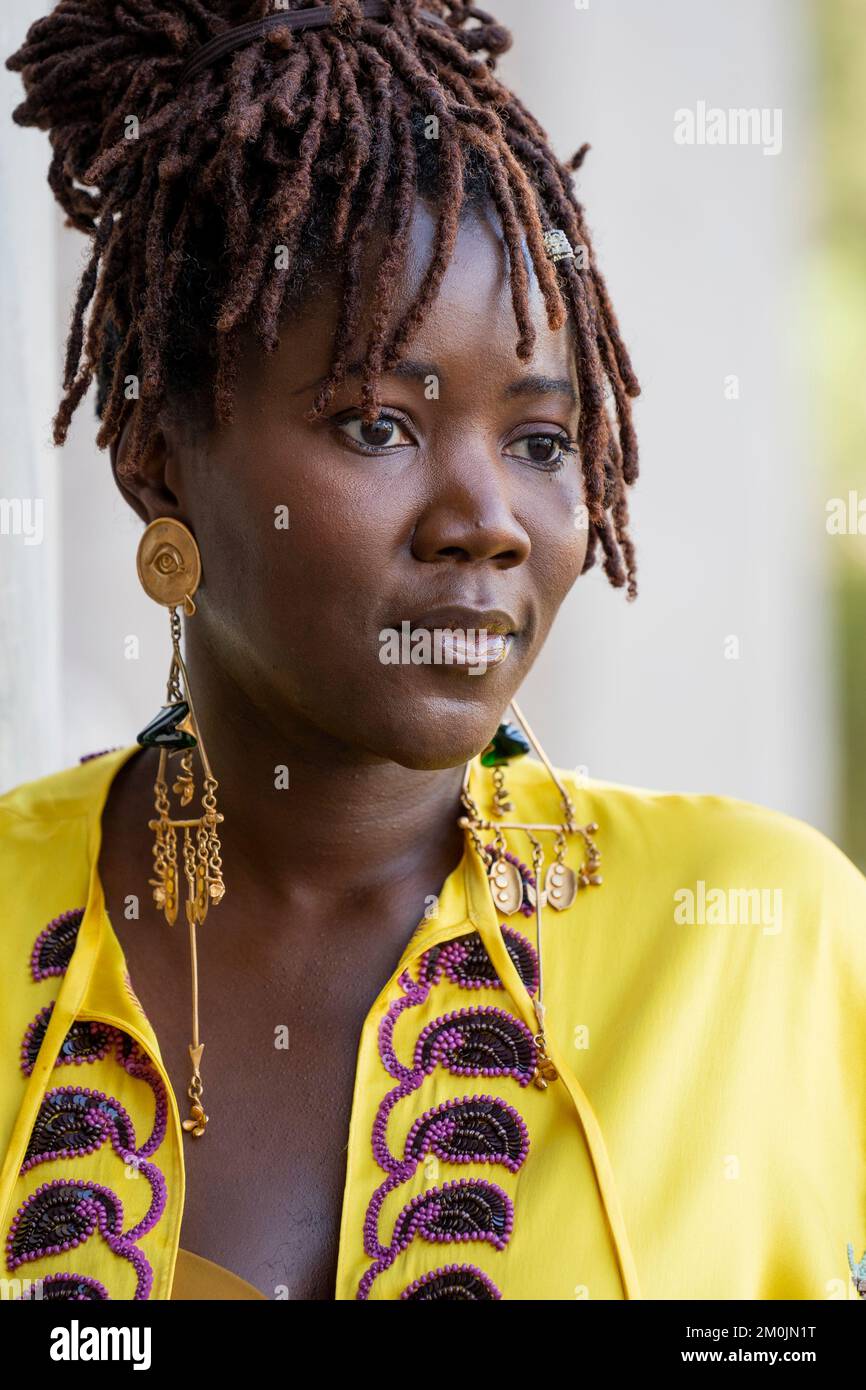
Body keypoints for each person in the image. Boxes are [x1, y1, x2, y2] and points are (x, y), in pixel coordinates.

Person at [1, 0, 864, 1304]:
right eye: (377, 424)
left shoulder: (756, 940)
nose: (486, 524)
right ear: (157, 454)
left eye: (537, 441)